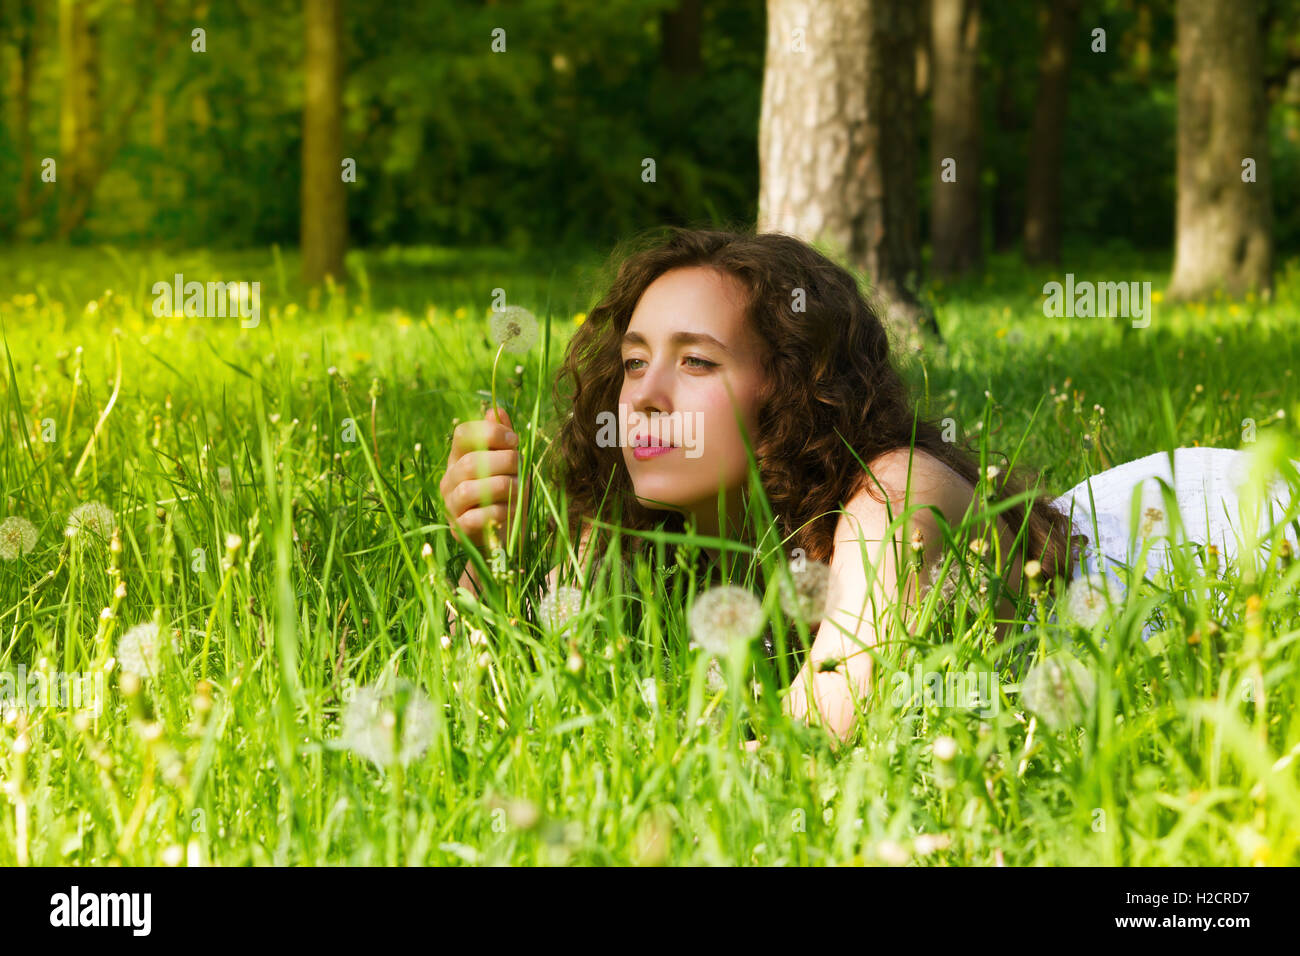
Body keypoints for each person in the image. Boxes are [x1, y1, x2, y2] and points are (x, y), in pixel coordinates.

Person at [439, 226, 1297, 748]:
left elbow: (825, 726)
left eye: (697, 360)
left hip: (1225, 524)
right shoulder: (665, 533)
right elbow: (492, 702)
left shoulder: (898, 499)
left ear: (798, 386)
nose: (646, 395)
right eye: (632, 362)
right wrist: (490, 560)